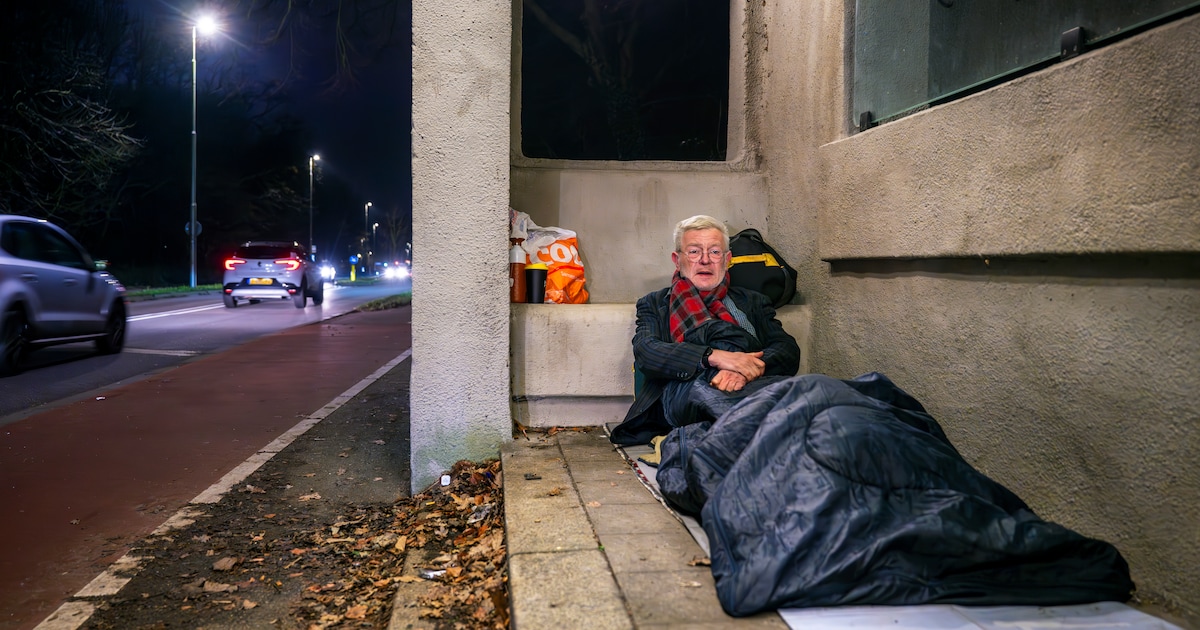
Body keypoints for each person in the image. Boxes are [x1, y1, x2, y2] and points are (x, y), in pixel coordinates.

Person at [609, 215, 800, 446]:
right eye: (694, 251)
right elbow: (647, 352)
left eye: (715, 252)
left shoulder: (752, 301)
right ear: (677, 260)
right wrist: (714, 357)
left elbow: (786, 349)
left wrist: (743, 370)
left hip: (747, 385)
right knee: (785, 398)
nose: (705, 260)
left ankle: (736, 432)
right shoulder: (655, 303)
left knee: (801, 389)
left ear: (727, 259)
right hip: (684, 390)